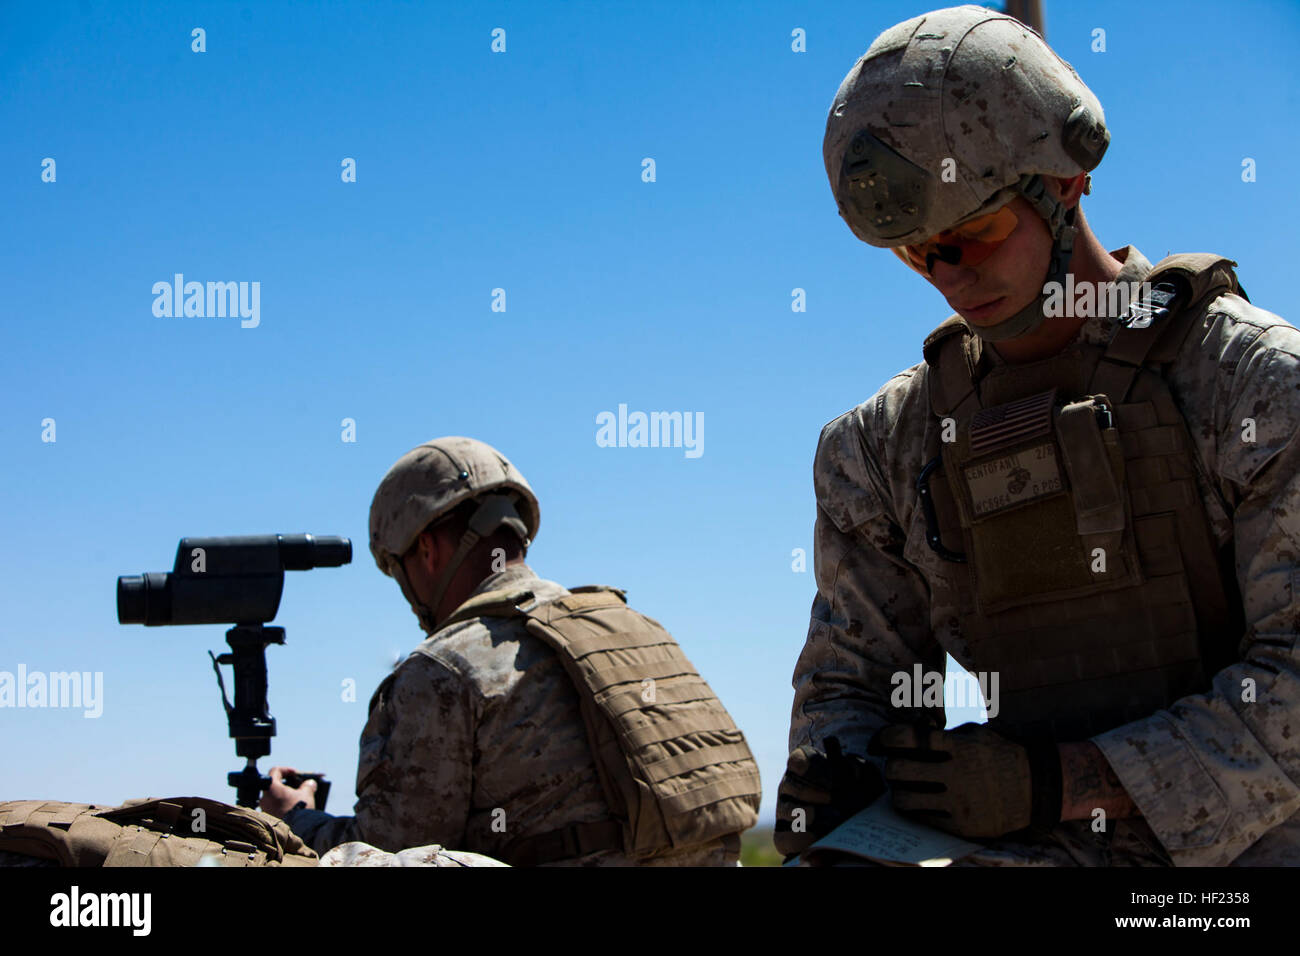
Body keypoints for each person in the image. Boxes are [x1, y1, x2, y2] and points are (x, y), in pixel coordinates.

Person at [775, 4, 1300, 866]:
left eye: (973, 233)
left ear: (1064, 184)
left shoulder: (1254, 386)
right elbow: (850, 684)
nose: (950, 275)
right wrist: (844, 773)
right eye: (918, 253)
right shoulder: (882, 449)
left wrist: (1067, 782)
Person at [262, 436, 760, 865]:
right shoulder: (634, 626)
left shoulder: (440, 670)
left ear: (427, 551)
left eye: (399, 570)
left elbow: (388, 850)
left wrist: (297, 820)